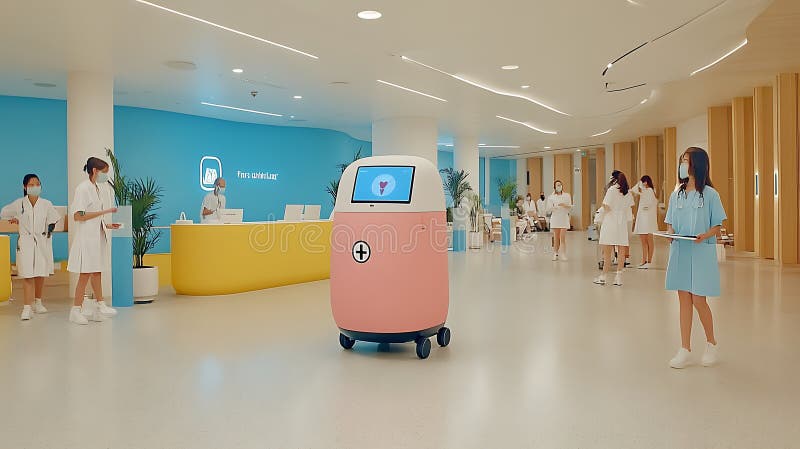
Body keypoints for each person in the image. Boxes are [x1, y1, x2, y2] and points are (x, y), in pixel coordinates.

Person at [665, 147, 726, 369]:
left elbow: (717, 225)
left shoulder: (710, 194)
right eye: (682, 160)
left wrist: (705, 235)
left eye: (687, 160)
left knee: (699, 300)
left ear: (697, 165)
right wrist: (670, 233)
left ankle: (711, 344)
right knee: (683, 300)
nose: (683, 164)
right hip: (681, 250)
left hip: (700, 251)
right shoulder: (676, 194)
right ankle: (684, 348)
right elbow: (670, 221)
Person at [67, 157, 120, 325]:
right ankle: (75, 310)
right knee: (85, 275)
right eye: (104, 172)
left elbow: (94, 217)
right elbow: (78, 216)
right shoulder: (83, 189)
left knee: (97, 272)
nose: (106, 176)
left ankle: (99, 306)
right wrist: (104, 212)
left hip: (96, 237)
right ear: (95, 171)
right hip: (86, 239)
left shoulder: (97, 188)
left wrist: (108, 224)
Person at [0, 174, 61, 320]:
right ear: (25, 187)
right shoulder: (19, 203)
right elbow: (3, 213)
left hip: (42, 240)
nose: (35, 187)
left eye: (37, 184)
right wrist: (12, 218)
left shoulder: (46, 203)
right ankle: (27, 307)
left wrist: (50, 229)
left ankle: (37, 302)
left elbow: (54, 218)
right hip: (26, 241)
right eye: (32, 184)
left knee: (40, 273)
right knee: (27, 274)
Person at [594, 171, 634, 286]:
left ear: (614, 179)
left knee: (607, 251)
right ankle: (618, 277)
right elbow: (629, 208)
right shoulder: (627, 192)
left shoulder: (612, 190)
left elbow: (606, 206)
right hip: (622, 222)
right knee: (621, 250)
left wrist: (599, 216)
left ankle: (603, 276)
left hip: (610, 221)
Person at [631, 175, 658, 268]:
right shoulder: (644, 191)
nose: (642, 184)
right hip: (643, 219)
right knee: (644, 241)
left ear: (646, 182)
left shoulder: (650, 191)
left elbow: (648, 204)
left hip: (647, 220)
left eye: (643, 182)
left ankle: (648, 261)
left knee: (648, 240)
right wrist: (639, 184)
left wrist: (640, 188)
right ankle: (644, 261)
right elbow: (633, 190)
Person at [546, 181, 572, 261]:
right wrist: (555, 207)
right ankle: (555, 253)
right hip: (555, 218)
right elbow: (548, 209)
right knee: (556, 237)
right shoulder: (551, 197)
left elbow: (570, 207)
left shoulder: (567, 195)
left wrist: (565, 205)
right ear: (554, 187)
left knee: (562, 237)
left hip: (564, 218)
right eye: (557, 185)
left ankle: (563, 254)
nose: (559, 186)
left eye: (560, 185)